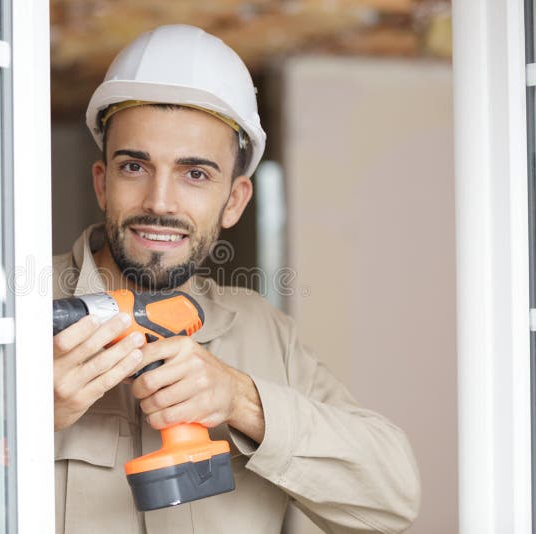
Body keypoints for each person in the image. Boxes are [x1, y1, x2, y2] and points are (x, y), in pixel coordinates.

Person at [51, 24, 421, 533]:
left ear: (234, 201)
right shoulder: (2, 320)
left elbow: (393, 500)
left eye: (195, 174)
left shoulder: (265, 333)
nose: (160, 202)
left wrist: (241, 400)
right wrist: (22, 423)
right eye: (135, 166)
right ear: (102, 181)